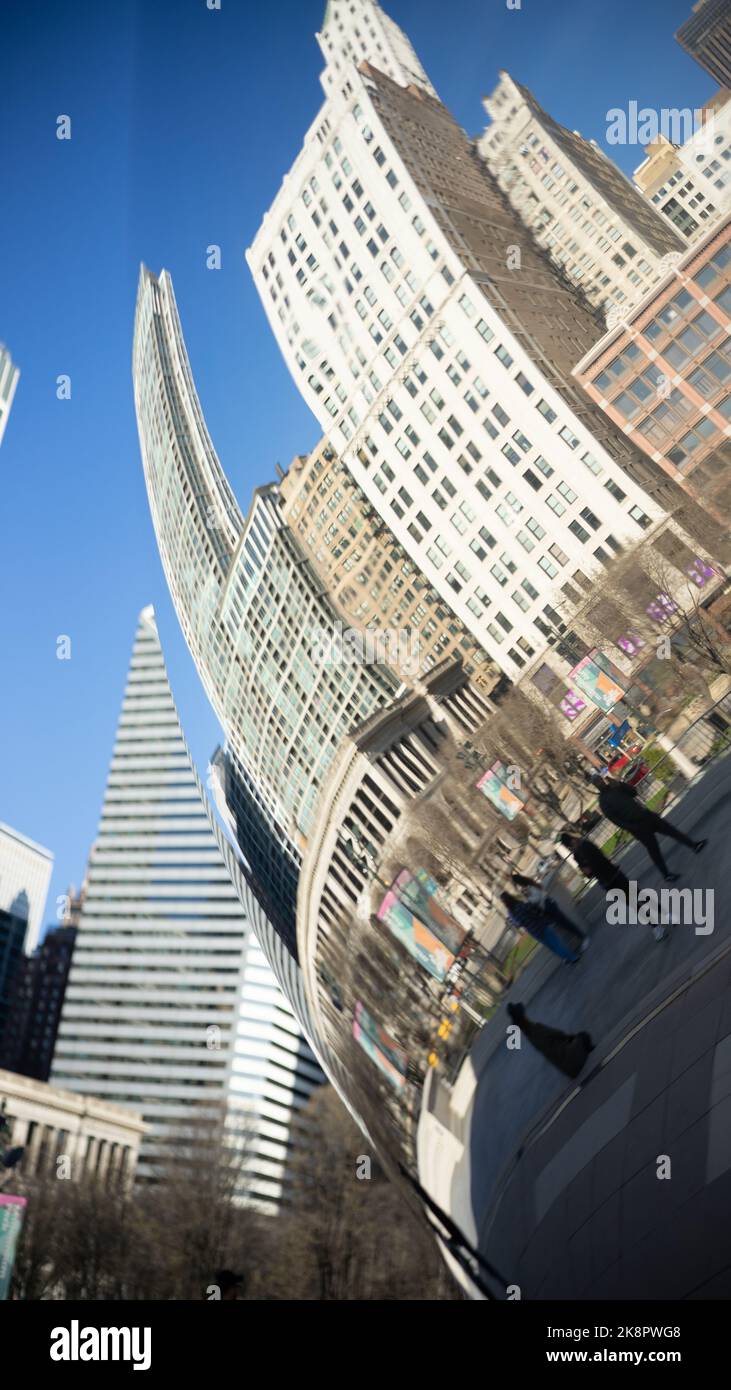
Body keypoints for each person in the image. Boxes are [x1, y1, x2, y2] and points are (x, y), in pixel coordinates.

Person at [590, 772, 707, 881]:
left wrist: (620, 784)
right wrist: (632, 827)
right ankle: (666, 874)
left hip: (646, 815)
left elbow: (633, 792)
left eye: (600, 779)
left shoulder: (615, 787)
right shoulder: (603, 802)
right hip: (637, 826)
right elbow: (616, 820)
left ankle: (694, 845)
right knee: (654, 849)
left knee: (671, 830)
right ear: (595, 786)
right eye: (597, 782)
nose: (601, 782)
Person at [507, 1001, 594, 1079]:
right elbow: (560, 1034)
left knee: (575, 1042)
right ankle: (584, 1055)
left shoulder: (530, 1037)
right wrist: (574, 1037)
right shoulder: (537, 1028)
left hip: (568, 1071)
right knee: (583, 1036)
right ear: (523, 1015)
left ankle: (580, 1054)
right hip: (571, 1059)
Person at [510, 871, 590, 950]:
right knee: (563, 924)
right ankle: (581, 937)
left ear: (518, 882)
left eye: (515, 885)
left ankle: (583, 937)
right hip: (546, 907)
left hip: (548, 905)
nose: (516, 887)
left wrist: (529, 900)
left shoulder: (528, 887)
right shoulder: (527, 887)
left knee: (565, 922)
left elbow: (538, 896)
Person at [500, 891, 585, 964]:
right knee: (556, 942)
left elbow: (519, 924)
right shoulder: (520, 904)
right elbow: (531, 910)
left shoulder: (511, 913)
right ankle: (572, 957)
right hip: (540, 924)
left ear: (504, 903)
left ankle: (565, 958)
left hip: (533, 931)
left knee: (551, 946)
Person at [559, 830, 630, 898]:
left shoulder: (577, 856)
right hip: (612, 872)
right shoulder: (586, 844)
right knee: (634, 893)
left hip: (605, 880)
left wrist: (588, 868)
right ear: (572, 837)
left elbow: (588, 874)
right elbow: (600, 855)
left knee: (630, 902)